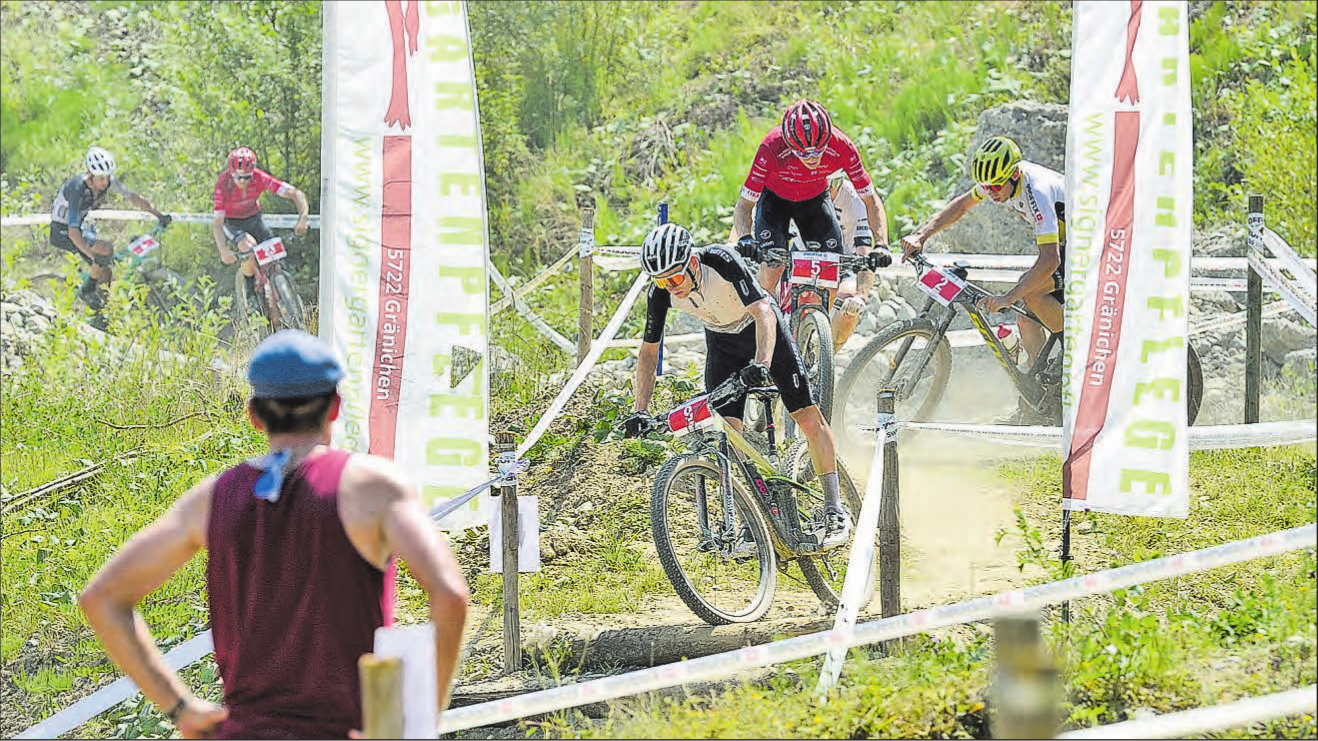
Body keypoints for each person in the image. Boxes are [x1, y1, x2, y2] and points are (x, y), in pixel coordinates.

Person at [79, 330, 470, 739]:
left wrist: (181, 708)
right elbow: (449, 593)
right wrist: (420, 719)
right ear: (335, 407)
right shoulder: (371, 487)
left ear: (253, 414)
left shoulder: (213, 498)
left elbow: (102, 597)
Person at [621, 222, 852, 546]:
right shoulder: (661, 293)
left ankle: (834, 509)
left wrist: (762, 362)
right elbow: (648, 352)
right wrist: (639, 410)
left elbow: (763, 312)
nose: (670, 286)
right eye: (661, 279)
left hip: (762, 331)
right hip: (723, 345)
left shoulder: (720, 260)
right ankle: (751, 523)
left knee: (806, 417)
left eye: (674, 276)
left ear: (692, 262)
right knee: (729, 435)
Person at [899, 135, 1066, 423]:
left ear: (1014, 174)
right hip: (1066, 246)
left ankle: (1077, 358)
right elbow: (961, 205)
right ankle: (1041, 401)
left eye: (996, 186)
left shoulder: (1037, 190)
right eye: (986, 187)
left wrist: (1007, 297)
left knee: (1032, 294)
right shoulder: (999, 179)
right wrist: (921, 235)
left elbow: (1050, 260)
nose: (991, 193)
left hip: (1092, 248)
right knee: (1026, 320)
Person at [730, 99, 890, 312]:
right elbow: (744, 206)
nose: (812, 158)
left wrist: (881, 243)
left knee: (832, 270)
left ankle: (818, 334)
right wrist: (745, 237)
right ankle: (760, 322)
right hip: (775, 201)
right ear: (788, 143)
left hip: (814, 201)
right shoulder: (771, 147)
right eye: (803, 153)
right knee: (773, 266)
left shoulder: (842, 146)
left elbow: (871, 200)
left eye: (819, 151)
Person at [49, 146, 171, 314]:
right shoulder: (77, 188)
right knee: (105, 249)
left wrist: (158, 214)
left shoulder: (106, 182)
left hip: (78, 229)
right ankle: (87, 290)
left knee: (106, 272)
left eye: (107, 178)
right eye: (101, 179)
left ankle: (102, 312)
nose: (105, 183)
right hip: (62, 231)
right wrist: (93, 256)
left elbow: (132, 197)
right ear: (90, 175)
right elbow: (73, 232)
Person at [211, 146, 310, 318]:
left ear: (253, 172)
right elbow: (218, 223)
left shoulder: (259, 177)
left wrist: (303, 217)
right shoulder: (223, 184)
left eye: (246, 177)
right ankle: (250, 294)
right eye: (238, 177)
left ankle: (286, 290)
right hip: (232, 222)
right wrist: (223, 250)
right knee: (247, 246)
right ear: (231, 173)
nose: (242, 181)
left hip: (254, 218)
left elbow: (296, 193)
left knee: (274, 254)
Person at [825, 170, 879, 351]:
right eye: (821, 183)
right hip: (803, 256)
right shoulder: (796, 191)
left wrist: (861, 296)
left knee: (849, 304)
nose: (826, 191)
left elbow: (864, 252)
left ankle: (827, 359)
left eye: (833, 184)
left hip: (842, 263)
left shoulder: (855, 201)